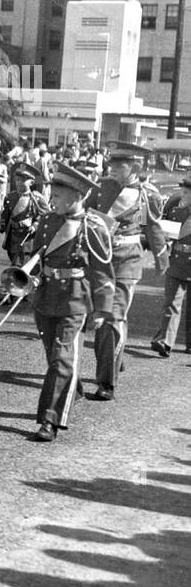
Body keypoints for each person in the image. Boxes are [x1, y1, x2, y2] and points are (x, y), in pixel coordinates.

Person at [27, 164, 115, 443]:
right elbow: (38, 260)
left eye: (58, 193)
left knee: (62, 358)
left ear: (77, 195)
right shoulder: (47, 221)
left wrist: (102, 309)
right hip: (46, 298)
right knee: (54, 357)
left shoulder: (93, 227)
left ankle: (50, 421)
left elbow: (103, 272)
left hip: (75, 300)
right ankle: (71, 389)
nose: (52, 198)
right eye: (53, 192)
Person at [85, 142, 168, 401]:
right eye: (111, 165)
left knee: (111, 318)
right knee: (108, 317)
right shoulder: (102, 187)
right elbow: (88, 216)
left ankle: (106, 383)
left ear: (134, 167)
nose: (113, 170)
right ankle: (114, 359)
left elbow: (151, 228)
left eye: (119, 166)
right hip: (100, 261)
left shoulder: (147, 196)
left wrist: (161, 259)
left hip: (127, 262)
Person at [152, 174, 191, 357]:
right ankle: (165, 342)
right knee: (171, 302)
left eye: (187, 192)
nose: (183, 195)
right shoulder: (175, 207)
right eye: (183, 191)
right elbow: (165, 232)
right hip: (178, 258)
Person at [0, 164, 49, 268]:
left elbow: (45, 216)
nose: (19, 183)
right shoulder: (10, 197)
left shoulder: (37, 199)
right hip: (12, 238)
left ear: (31, 182)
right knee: (13, 259)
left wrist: (35, 225)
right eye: (17, 180)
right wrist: (2, 222)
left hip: (27, 239)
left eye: (23, 180)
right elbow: (6, 213)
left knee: (20, 264)